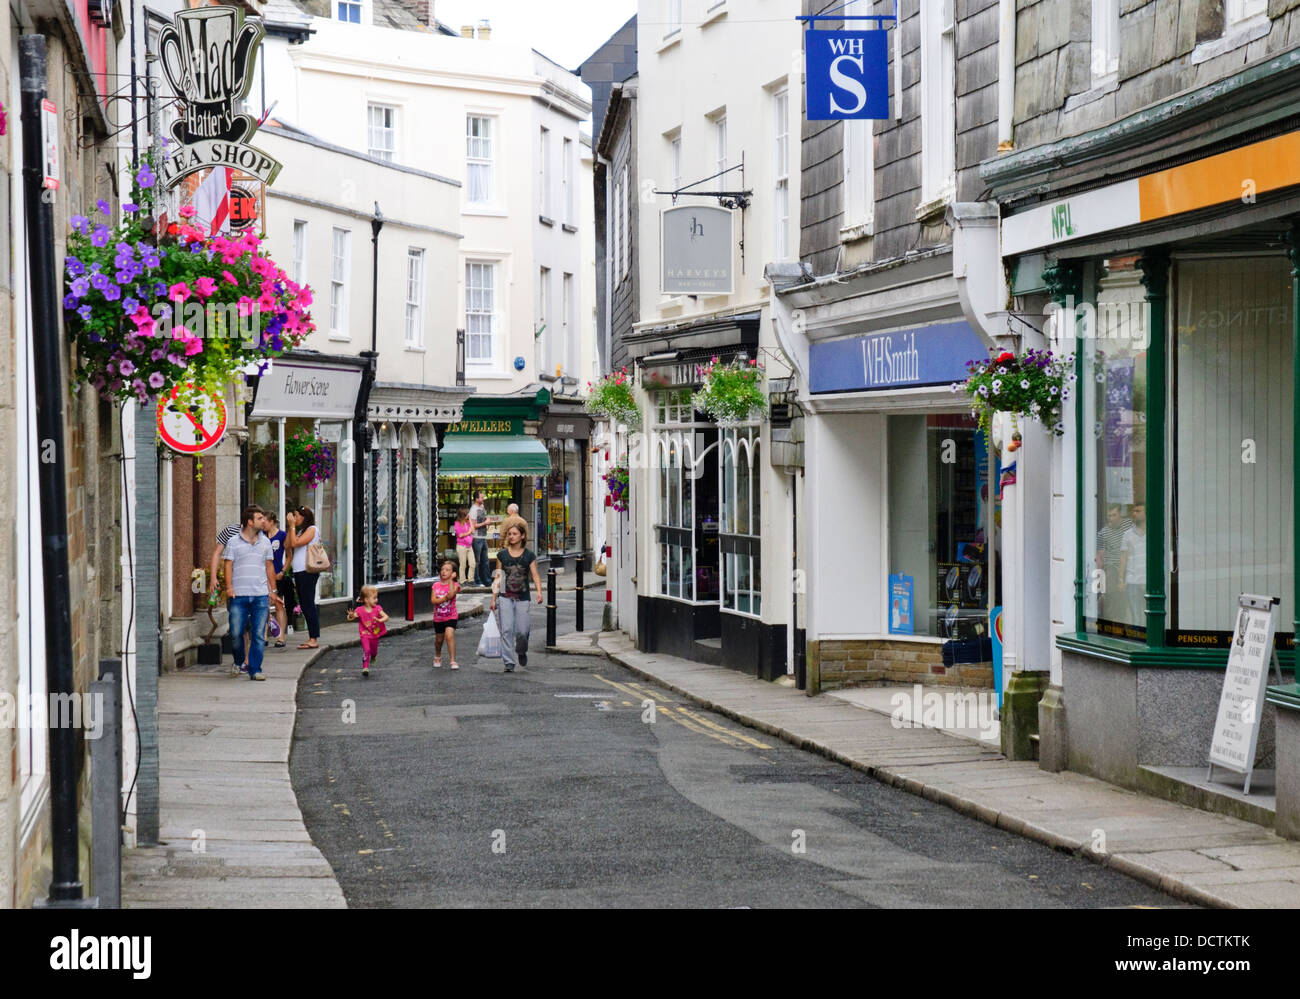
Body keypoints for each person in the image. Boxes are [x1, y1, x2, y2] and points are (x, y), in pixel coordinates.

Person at [223, 504, 284, 681]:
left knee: (258, 634)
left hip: (260, 595)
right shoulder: (233, 541)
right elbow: (228, 564)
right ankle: (239, 660)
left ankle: (255, 669)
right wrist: (229, 587)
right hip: (239, 595)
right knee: (235, 633)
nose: (263, 521)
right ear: (249, 522)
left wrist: (272, 591)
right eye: (259, 518)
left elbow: (269, 566)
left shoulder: (265, 542)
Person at [491, 522, 542, 673]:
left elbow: (535, 575)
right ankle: (508, 662)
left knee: (522, 631)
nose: (511, 537)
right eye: (509, 534)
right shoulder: (502, 555)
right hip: (505, 597)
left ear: (522, 536)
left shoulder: (529, 556)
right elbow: (498, 578)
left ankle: (521, 650)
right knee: (506, 630)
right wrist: (494, 598)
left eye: (514, 534)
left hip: (523, 597)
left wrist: (539, 591)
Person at [286, 506, 321, 649]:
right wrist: (291, 528)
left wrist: (292, 526)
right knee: (304, 603)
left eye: (296, 515)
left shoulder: (312, 529)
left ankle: (314, 638)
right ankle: (312, 637)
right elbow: (287, 544)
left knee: (308, 604)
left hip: (308, 571)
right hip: (299, 571)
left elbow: (295, 544)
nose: (295, 518)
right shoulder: (300, 531)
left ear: (304, 517)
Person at [1094, 504, 1132, 620]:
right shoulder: (1102, 533)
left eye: (1114, 515)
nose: (1112, 518)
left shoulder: (1129, 524)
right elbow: (1100, 557)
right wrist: (1098, 579)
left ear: (1120, 514)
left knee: (1127, 598)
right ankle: (1112, 623)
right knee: (1111, 596)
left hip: (1130, 566)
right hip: (1112, 567)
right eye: (1109, 516)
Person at [346, 585, 389, 678]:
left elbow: (386, 617)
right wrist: (350, 615)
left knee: (374, 651)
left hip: (375, 634)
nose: (376, 600)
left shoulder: (377, 608)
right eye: (374, 598)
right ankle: (365, 667)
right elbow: (351, 618)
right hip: (365, 634)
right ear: (366, 599)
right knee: (366, 650)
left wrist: (380, 620)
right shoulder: (360, 610)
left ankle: (373, 657)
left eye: (376, 597)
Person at [264, 512, 290, 649]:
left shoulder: (282, 535)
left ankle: (281, 636)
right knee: (264, 605)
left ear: (272, 522)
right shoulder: (261, 536)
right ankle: (264, 635)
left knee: (279, 604)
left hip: (277, 574)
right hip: (263, 575)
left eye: (265, 521)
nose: (263, 524)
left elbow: (289, 555)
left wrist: (283, 571)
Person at [1118, 502, 1147, 627]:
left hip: (1148, 581)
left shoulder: (1153, 533)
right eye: (1133, 511)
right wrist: (1121, 579)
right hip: (1132, 581)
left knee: (1149, 618)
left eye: (1138, 511)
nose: (1134, 514)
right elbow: (1123, 558)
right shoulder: (1127, 534)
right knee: (1136, 618)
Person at [431, 559, 461, 669]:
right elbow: (433, 600)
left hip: (451, 616)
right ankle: (437, 655)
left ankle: (452, 660)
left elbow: (452, 594)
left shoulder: (455, 585)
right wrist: (444, 598)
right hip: (438, 617)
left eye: (447, 570)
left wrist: (452, 581)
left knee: (449, 635)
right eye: (442, 569)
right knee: (439, 640)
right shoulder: (436, 585)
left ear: (453, 573)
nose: (444, 572)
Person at [453, 507, 476, 584]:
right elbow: (460, 535)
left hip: (469, 546)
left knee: (472, 563)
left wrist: (470, 520)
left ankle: (471, 579)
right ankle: (463, 581)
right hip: (461, 546)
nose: (468, 515)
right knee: (463, 564)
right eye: (467, 514)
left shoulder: (467, 523)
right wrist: (468, 532)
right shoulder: (457, 524)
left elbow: (473, 530)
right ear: (463, 515)